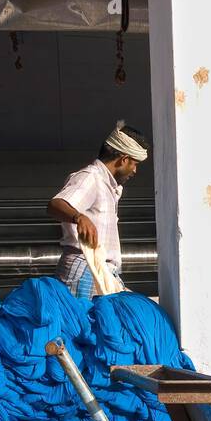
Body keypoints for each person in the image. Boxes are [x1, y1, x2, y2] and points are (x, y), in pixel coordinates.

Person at [48, 121, 150, 299]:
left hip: (101, 271)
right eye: (134, 164)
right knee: (82, 326)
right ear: (123, 159)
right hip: (85, 270)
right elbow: (55, 205)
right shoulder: (91, 177)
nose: (135, 171)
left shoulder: (110, 186)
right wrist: (78, 217)